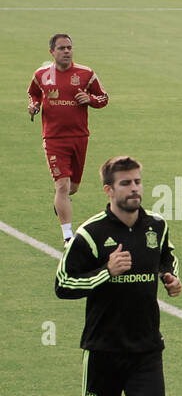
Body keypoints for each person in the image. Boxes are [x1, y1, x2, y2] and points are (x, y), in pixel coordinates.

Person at [55, 156, 181, 396]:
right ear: (109, 190)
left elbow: (165, 257)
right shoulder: (91, 234)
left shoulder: (156, 226)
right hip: (104, 350)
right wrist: (105, 273)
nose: (135, 189)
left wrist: (169, 276)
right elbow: (63, 284)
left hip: (146, 349)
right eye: (126, 183)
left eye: (138, 181)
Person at [28, 34, 109, 245]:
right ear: (52, 52)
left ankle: (61, 202)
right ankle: (67, 236)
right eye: (62, 48)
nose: (66, 51)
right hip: (54, 138)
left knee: (72, 187)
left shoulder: (86, 74)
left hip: (79, 137)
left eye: (69, 48)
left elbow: (104, 98)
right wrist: (34, 106)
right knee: (62, 186)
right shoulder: (41, 75)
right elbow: (33, 94)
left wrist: (90, 99)